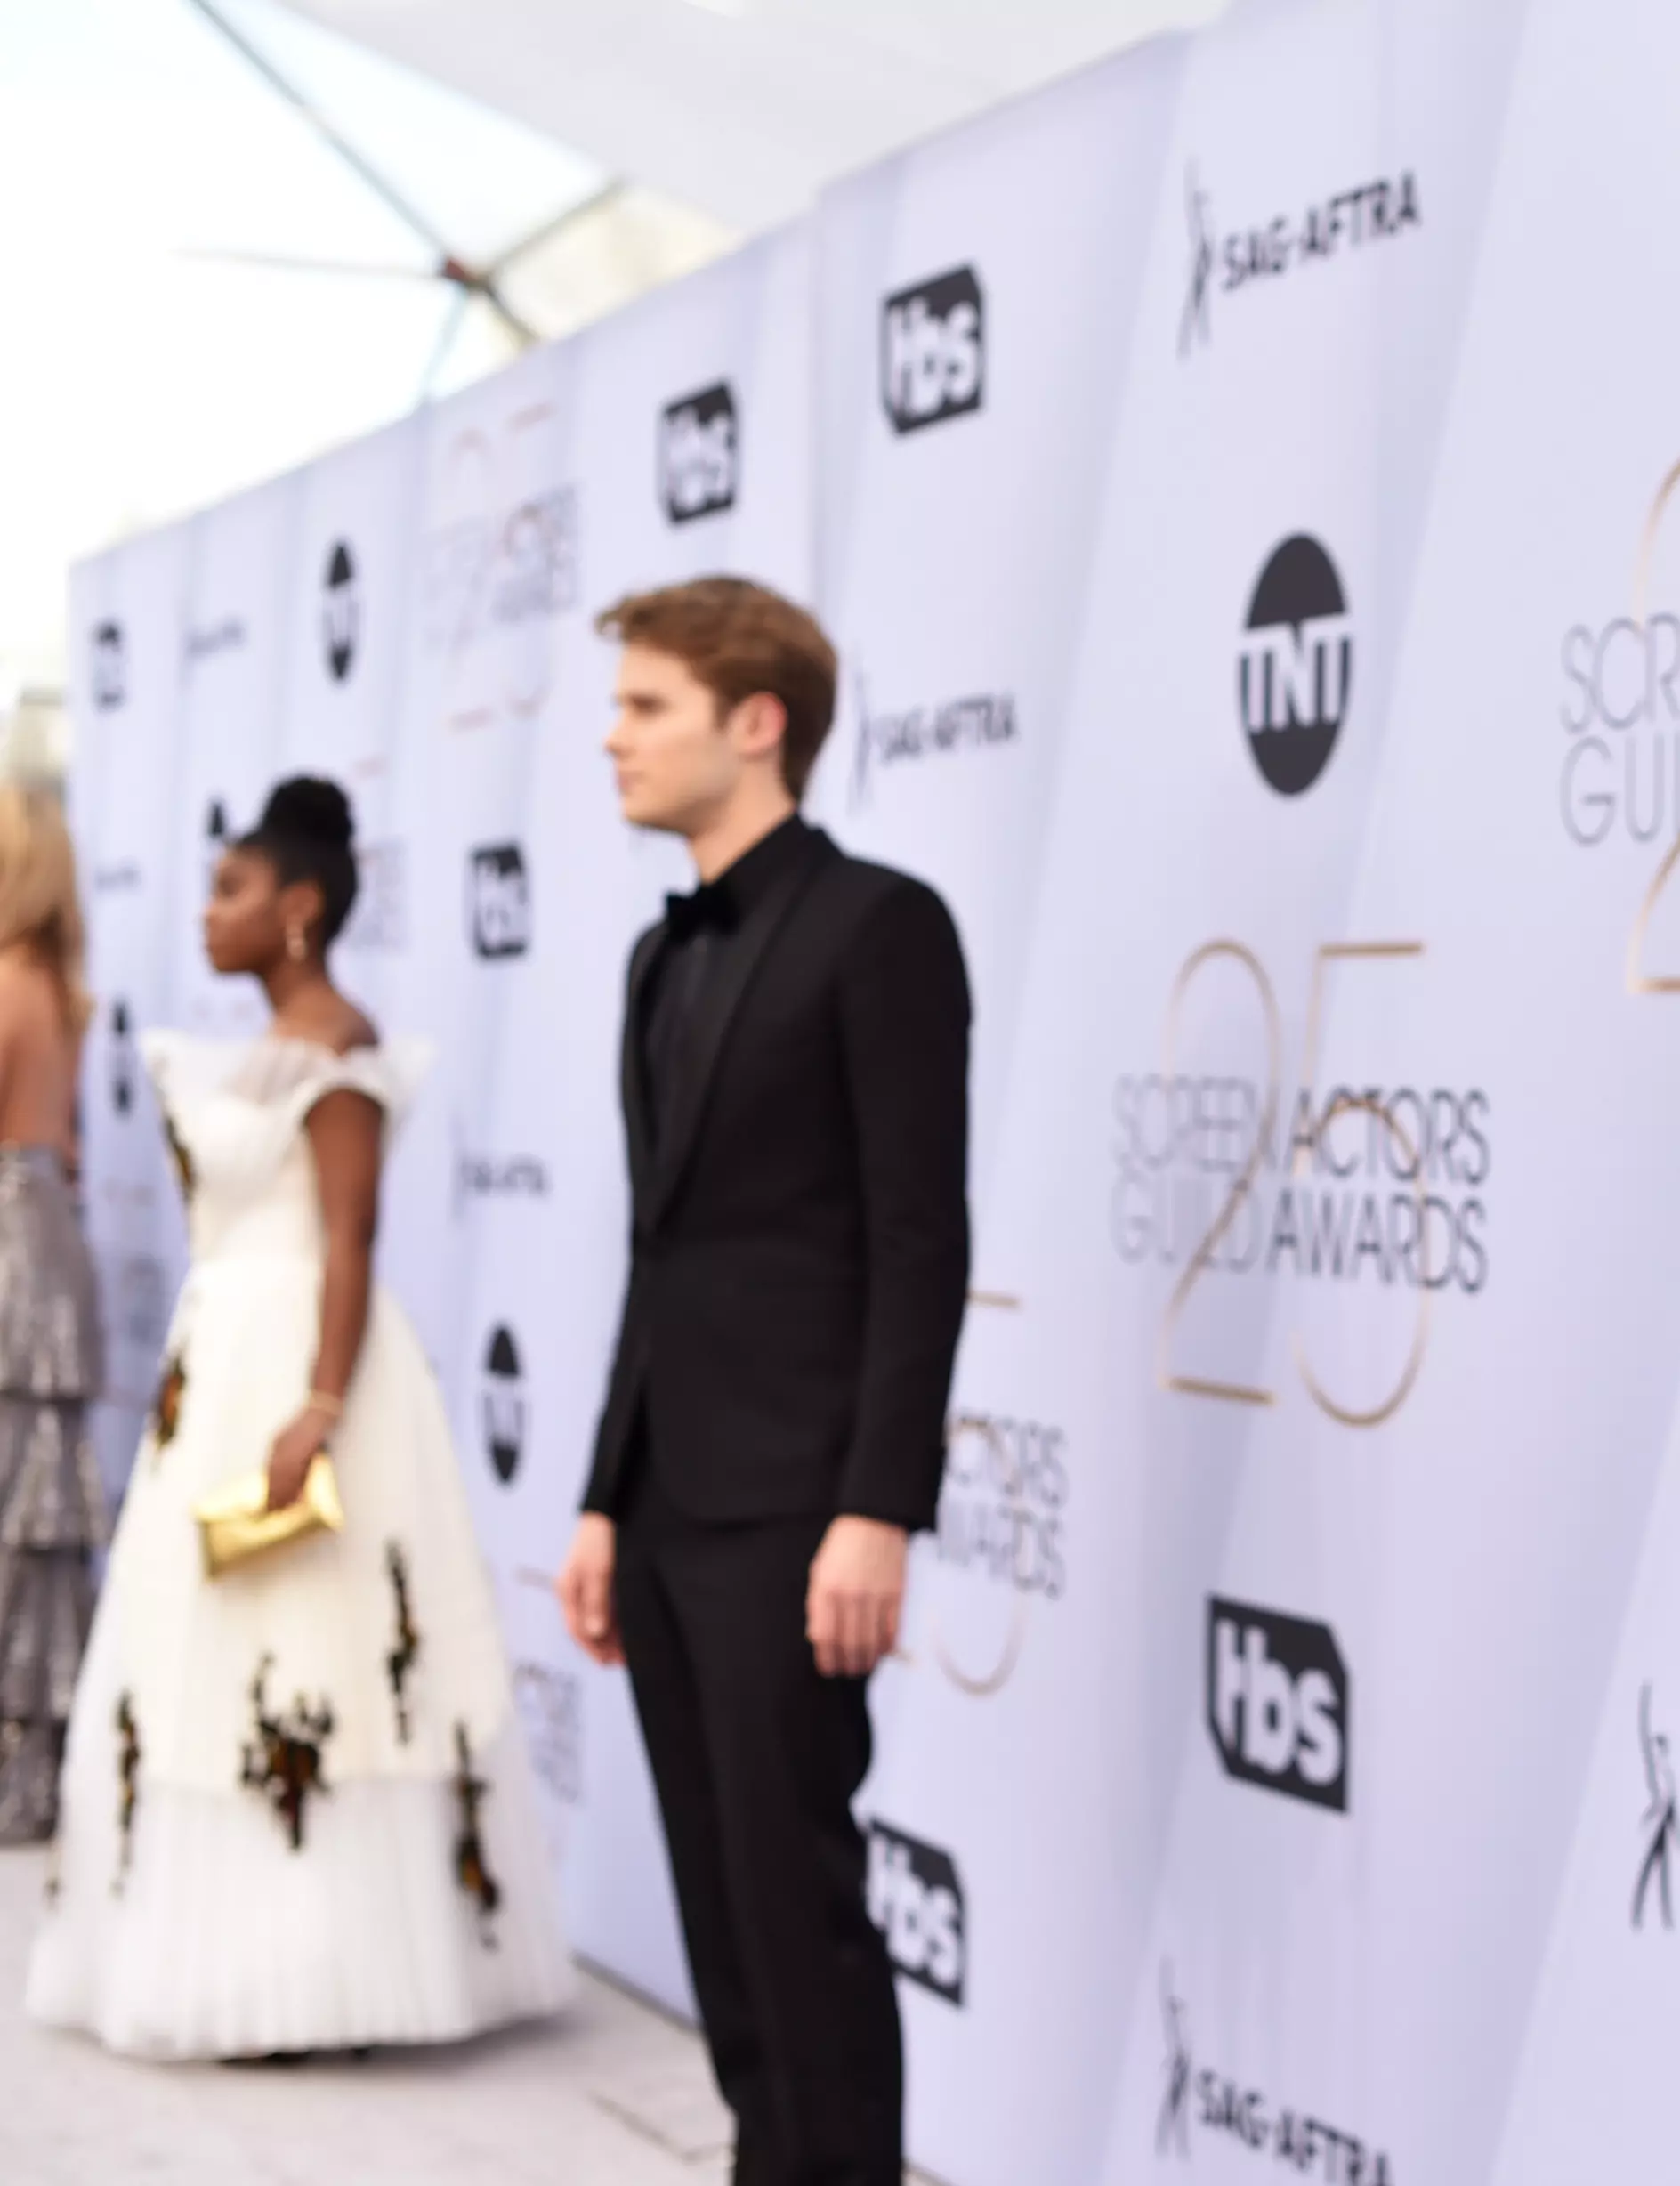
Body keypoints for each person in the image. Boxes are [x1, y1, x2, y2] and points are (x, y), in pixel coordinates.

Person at [26, 776, 571, 2058]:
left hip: (302, 1377)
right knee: (204, 1656)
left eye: (233, 889)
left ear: (301, 908)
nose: (209, 913)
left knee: (310, 1664)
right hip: (213, 1376)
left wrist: (318, 1404)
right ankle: (222, 1964)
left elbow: (351, 1235)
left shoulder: (340, 1051)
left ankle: (325, 1975)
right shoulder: (263, 1045)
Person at [554, 577, 969, 2186]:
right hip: (665, 1505)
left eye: (645, 706)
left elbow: (919, 1240)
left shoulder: (882, 926)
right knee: (723, 1924)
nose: (614, 736)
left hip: (800, 1508)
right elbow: (658, 1258)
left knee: (799, 1911)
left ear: (756, 721)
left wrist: (878, 1505)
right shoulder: (658, 963)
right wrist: (602, 1495)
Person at [0, 784, 102, 1842]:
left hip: (12, 1252)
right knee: (29, 1504)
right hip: (40, 1234)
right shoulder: (54, 983)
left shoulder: (9, 981)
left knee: (16, 1504)